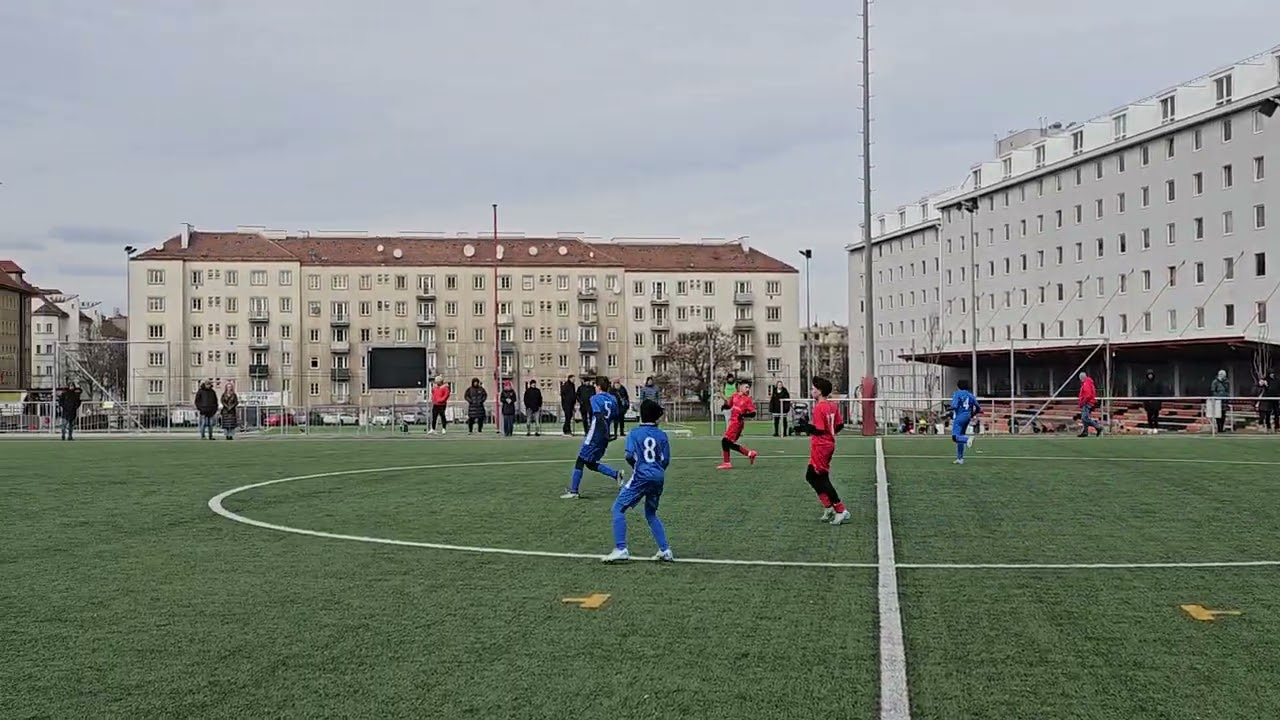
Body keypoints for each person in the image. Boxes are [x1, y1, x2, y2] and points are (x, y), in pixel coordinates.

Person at [603, 399, 673, 563]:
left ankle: (621, 548)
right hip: (658, 477)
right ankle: (665, 549)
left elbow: (629, 455)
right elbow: (666, 460)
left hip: (641, 476)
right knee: (650, 513)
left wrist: (637, 466)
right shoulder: (662, 435)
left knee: (618, 509)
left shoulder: (634, 433)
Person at [792, 377, 851, 525]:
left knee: (822, 478)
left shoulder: (819, 407)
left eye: (813, 389)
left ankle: (840, 509)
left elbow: (819, 429)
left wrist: (804, 427)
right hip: (827, 444)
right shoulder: (832, 406)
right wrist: (829, 434)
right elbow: (839, 425)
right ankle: (828, 506)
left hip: (821, 445)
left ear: (820, 391)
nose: (812, 391)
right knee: (810, 475)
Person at [561, 377, 625, 499]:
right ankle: (616, 474)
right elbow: (616, 416)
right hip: (604, 435)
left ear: (599, 387)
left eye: (596, 386)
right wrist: (613, 433)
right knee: (590, 463)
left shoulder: (595, 398)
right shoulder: (613, 399)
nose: (595, 388)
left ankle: (574, 491)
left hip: (596, 434)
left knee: (580, 460)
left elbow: (598, 416)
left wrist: (603, 433)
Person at [716, 380, 759, 470]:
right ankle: (749, 453)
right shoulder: (735, 396)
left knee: (725, 441)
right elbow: (729, 405)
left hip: (737, 423)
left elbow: (753, 413)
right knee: (728, 443)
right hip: (732, 422)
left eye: (749, 388)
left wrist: (743, 415)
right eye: (746, 387)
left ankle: (728, 463)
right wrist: (724, 406)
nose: (748, 389)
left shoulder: (748, 400)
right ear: (741, 387)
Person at [950, 379, 980, 464]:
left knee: (955, 437)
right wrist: (973, 414)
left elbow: (955, 406)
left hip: (959, 417)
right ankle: (960, 458)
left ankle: (968, 440)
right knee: (960, 436)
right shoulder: (970, 395)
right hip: (967, 418)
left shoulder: (957, 393)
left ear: (958, 386)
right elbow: (978, 407)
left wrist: (949, 407)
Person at [1077, 371, 1102, 438]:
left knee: (1084, 418)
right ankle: (1085, 431)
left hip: (1087, 402)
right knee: (1084, 418)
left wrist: (1083, 401)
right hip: (1089, 402)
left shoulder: (1086, 384)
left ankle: (1097, 427)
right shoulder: (1088, 383)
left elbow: (1088, 395)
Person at [1210, 369, 1230, 434]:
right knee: (1218, 415)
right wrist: (1218, 397)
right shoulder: (1215, 382)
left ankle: (1221, 428)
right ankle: (1219, 428)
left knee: (1223, 415)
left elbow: (1227, 391)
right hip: (1217, 402)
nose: (1224, 376)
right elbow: (1213, 391)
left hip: (1224, 401)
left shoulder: (1227, 382)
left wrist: (1226, 397)